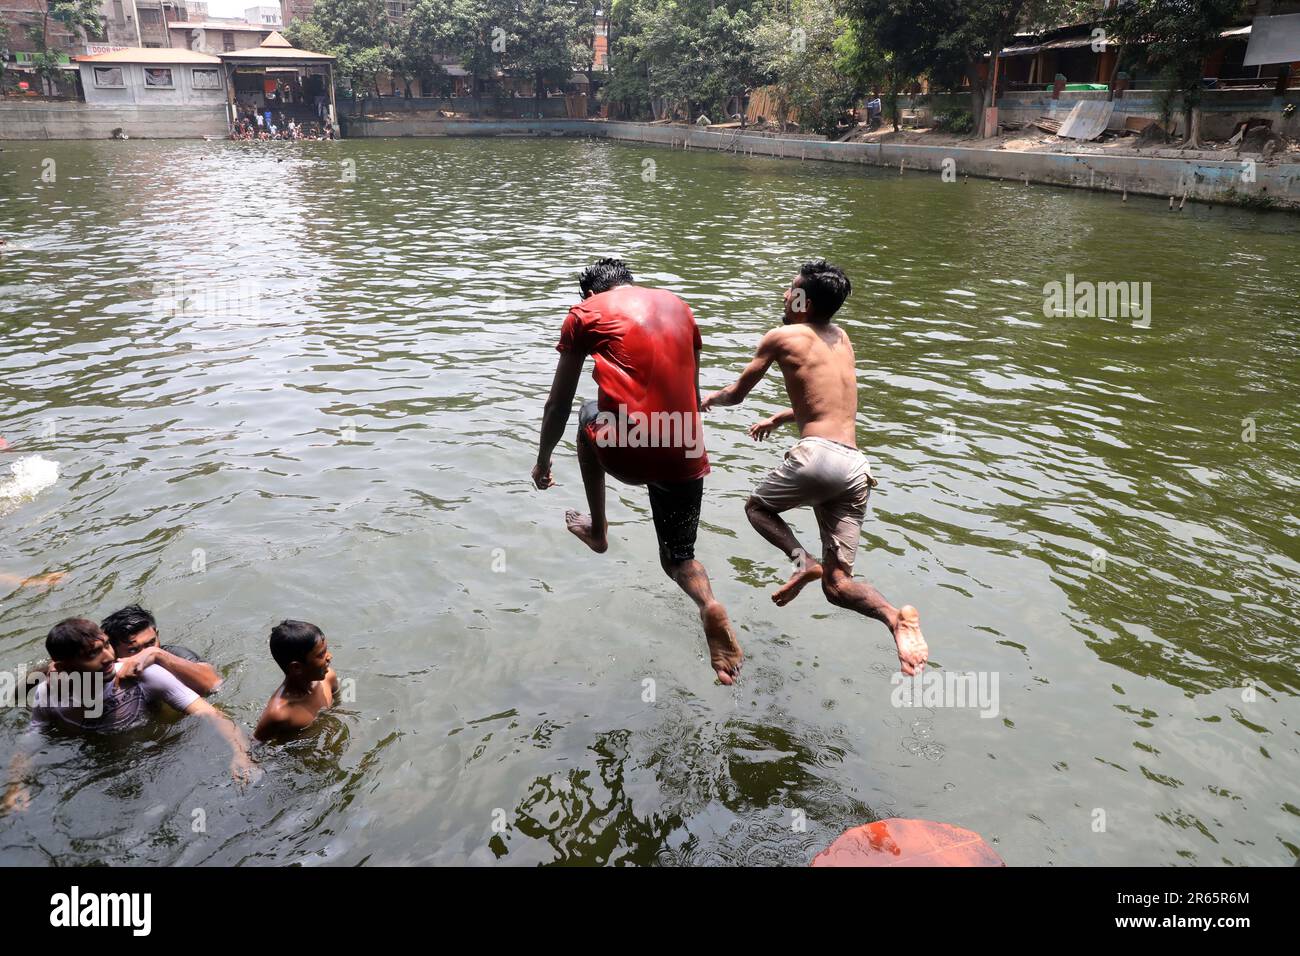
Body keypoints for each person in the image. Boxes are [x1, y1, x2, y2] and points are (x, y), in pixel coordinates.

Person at [701, 260, 928, 676]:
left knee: (756, 508)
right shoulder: (842, 338)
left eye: (791, 290)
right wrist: (782, 418)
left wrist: (706, 400)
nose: (785, 296)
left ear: (804, 299)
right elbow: (830, 400)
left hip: (818, 457)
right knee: (837, 586)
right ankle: (896, 619)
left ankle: (800, 558)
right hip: (855, 468)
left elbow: (737, 392)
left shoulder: (782, 336)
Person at [534, 258, 742, 684]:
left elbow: (558, 402)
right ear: (631, 284)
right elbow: (693, 388)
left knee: (585, 411)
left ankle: (599, 530)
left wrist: (542, 459)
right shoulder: (679, 306)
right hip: (685, 446)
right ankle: (708, 605)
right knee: (678, 557)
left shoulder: (584, 314)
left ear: (591, 294)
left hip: (626, 449)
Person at [2, 619, 253, 813]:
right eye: (92, 654)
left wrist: (241, 753)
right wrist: (16, 785)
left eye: (107, 646)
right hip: (94, 765)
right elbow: (33, 738)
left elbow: (210, 713)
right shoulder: (50, 692)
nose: (108, 658)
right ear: (64, 665)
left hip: (156, 758)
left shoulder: (143, 676)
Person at [100, 605, 221, 696]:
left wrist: (156, 654)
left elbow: (214, 684)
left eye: (151, 643)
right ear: (113, 652)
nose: (145, 653)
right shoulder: (104, 671)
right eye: (133, 650)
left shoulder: (171, 654)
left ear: (157, 634)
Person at [254, 620, 339, 742]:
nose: (329, 656)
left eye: (326, 650)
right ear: (297, 667)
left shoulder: (329, 677)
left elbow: (339, 705)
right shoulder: (279, 713)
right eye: (321, 654)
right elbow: (255, 749)